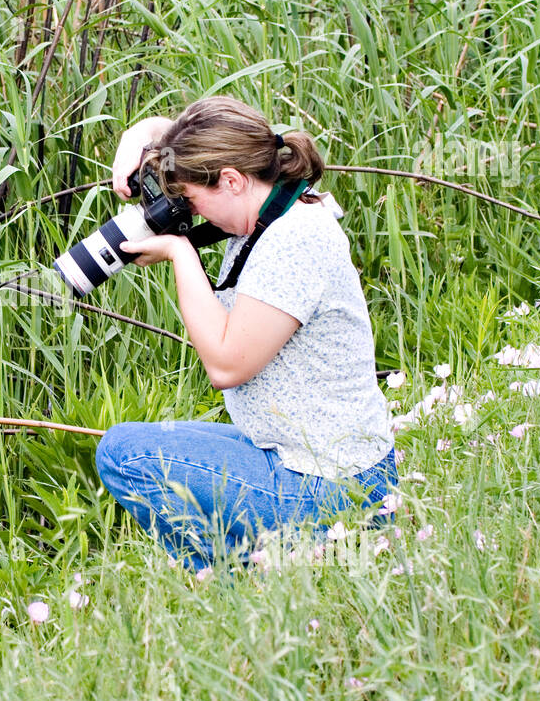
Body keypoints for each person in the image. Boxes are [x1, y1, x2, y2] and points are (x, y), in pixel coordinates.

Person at [93, 96, 396, 570]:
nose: (189, 214)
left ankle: (232, 581)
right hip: (309, 459)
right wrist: (136, 143)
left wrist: (179, 253)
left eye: (191, 199)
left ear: (232, 180)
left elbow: (226, 365)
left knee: (123, 454)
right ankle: (259, 567)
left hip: (334, 485)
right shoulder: (270, 206)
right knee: (151, 443)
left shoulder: (294, 239)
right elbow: (176, 130)